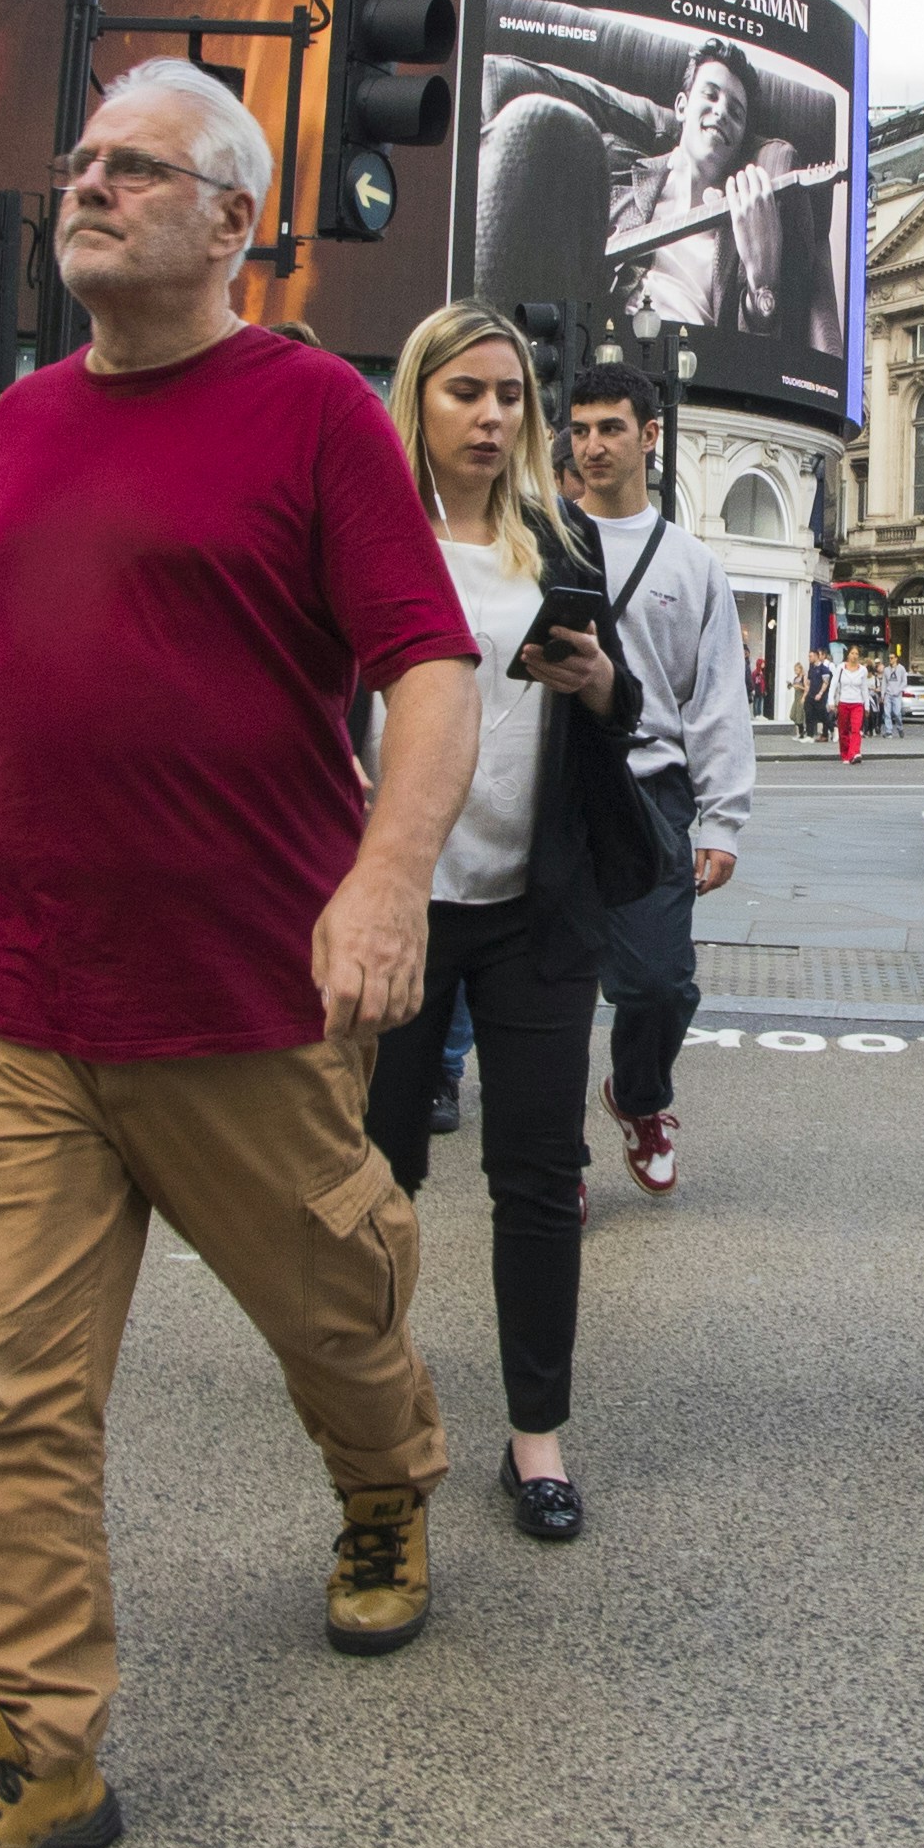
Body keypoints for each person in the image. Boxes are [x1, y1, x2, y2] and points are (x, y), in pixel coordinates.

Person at [0, 60, 480, 1848]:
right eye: (82, 158)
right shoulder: (28, 422)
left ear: (234, 221)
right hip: (29, 999)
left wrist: (386, 876)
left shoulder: (310, 416)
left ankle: (388, 1482)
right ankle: (35, 1750)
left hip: (239, 996)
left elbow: (430, 668)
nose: (88, 184)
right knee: (6, 1383)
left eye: (137, 168)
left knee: (333, 1314)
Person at [359, 306, 648, 1542]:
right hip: (398, 900)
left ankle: (537, 1435)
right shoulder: (368, 537)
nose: (491, 416)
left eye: (509, 396)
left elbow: (616, 700)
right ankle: (374, 1407)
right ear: (418, 400)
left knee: (539, 1173)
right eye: (465, 392)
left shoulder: (557, 534)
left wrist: (600, 685)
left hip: (536, 906)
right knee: (377, 1174)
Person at [562, 362, 757, 1203]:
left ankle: (639, 1100)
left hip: (650, 790)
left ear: (649, 436)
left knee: (658, 982)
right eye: (580, 429)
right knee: (551, 980)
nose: (594, 444)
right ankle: (551, 1153)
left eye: (612, 427)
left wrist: (722, 820)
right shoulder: (543, 539)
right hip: (551, 783)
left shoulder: (691, 564)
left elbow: (715, 696)